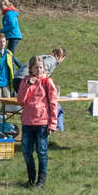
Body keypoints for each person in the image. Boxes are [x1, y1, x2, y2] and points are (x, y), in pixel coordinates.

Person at [17, 56, 59, 188]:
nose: (39, 70)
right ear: (30, 69)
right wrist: (27, 85)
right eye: (36, 67)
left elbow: (53, 104)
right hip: (28, 122)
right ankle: (31, 177)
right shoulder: (25, 81)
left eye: (41, 67)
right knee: (26, 151)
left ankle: (41, 180)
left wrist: (53, 123)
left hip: (42, 122)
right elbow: (20, 100)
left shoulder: (48, 82)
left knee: (41, 151)